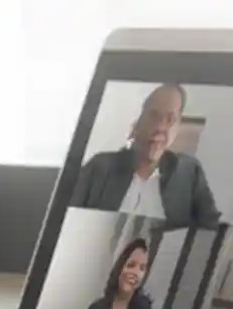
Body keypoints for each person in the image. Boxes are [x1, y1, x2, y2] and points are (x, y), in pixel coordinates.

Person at [70, 84, 222, 230]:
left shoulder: (189, 172)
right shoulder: (99, 167)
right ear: (139, 122)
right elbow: (67, 219)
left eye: (170, 119)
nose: (160, 127)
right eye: (153, 116)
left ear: (178, 127)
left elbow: (210, 228)